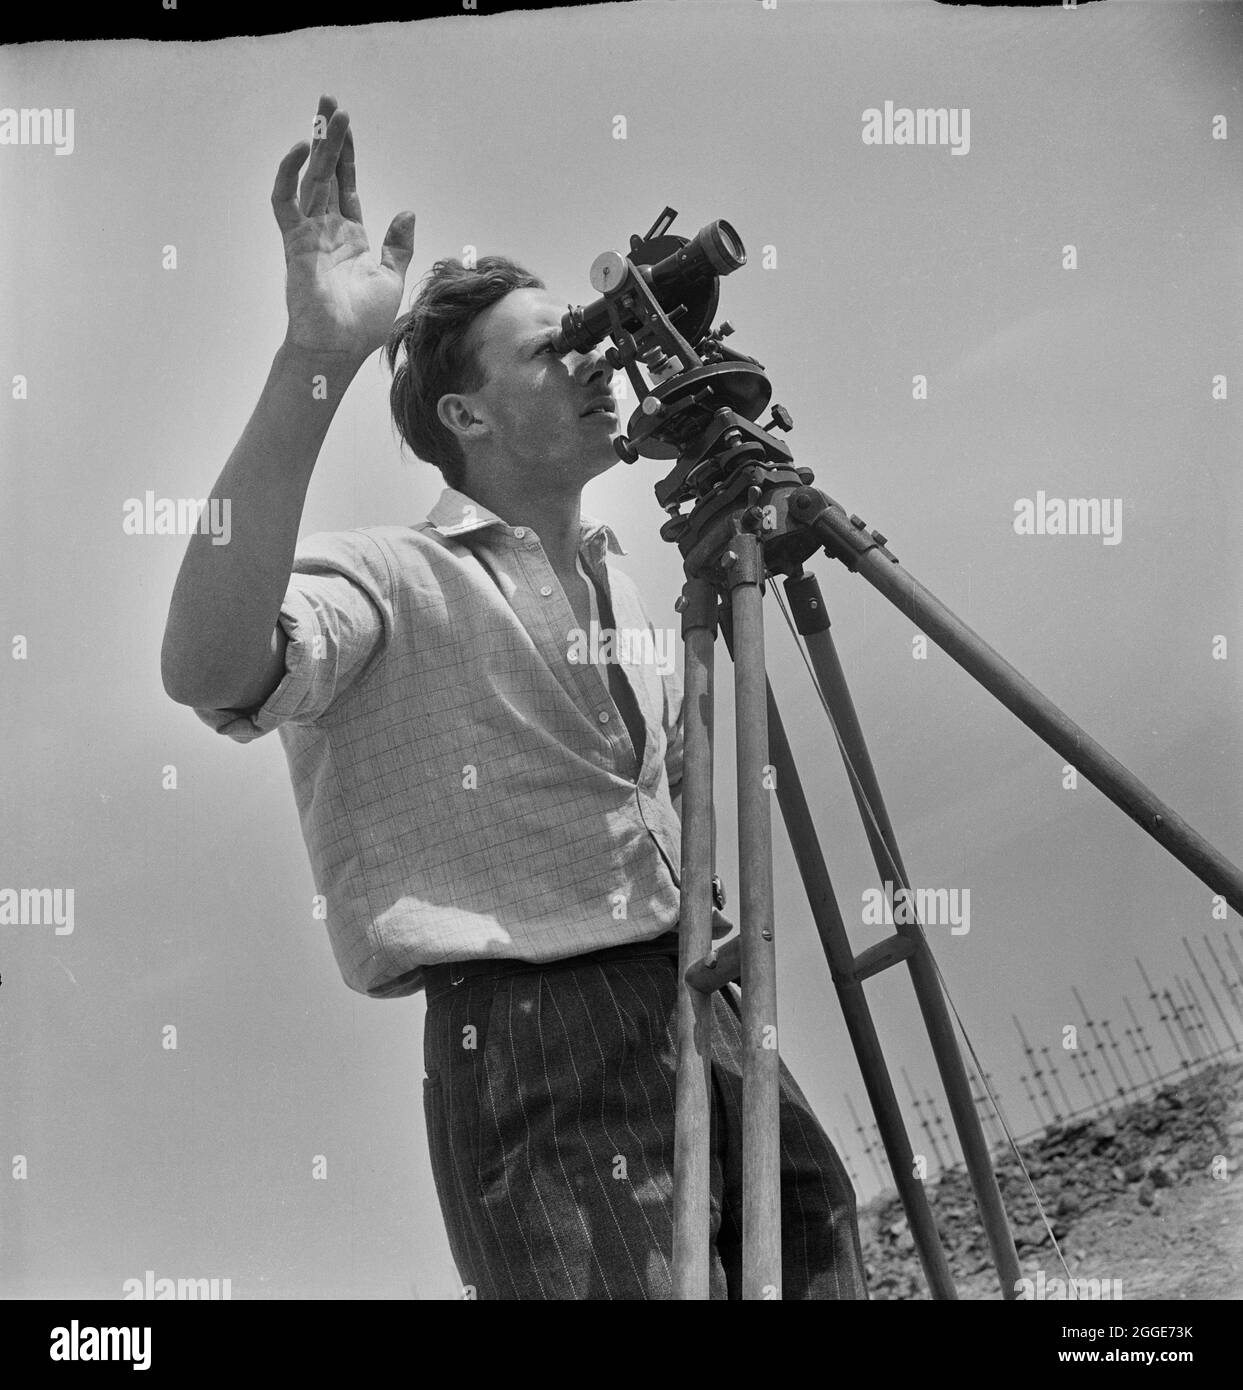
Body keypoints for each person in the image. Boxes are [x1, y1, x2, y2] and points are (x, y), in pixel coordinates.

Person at [161, 95, 868, 1301]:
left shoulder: (640, 579)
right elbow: (210, 668)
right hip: (536, 1040)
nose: (597, 361)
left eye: (591, 337)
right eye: (556, 347)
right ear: (465, 414)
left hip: (694, 991)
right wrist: (317, 361)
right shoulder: (391, 576)